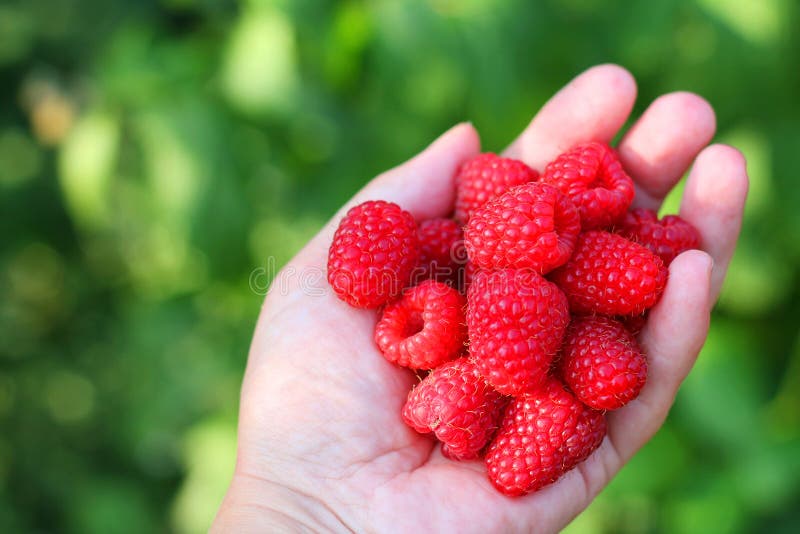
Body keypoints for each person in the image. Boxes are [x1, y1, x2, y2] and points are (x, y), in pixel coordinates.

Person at [211, 64, 748, 533]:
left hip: (535, 309)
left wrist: (305, 511)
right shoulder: (476, 282)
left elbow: (528, 301)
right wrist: (302, 506)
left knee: (644, 288)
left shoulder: (515, 278)